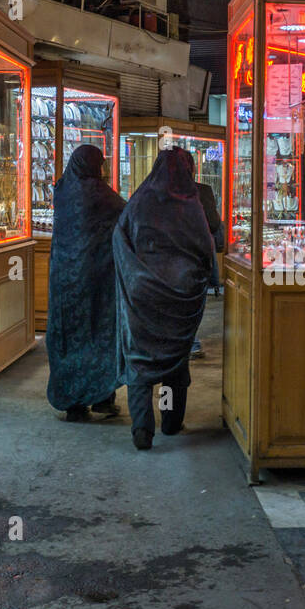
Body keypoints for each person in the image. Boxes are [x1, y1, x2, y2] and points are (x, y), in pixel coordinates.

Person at [114, 147, 215, 450]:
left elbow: (120, 237)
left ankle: (142, 429)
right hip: (180, 295)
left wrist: (132, 275)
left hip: (142, 292)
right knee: (174, 360)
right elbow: (206, 249)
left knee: (141, 360)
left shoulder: (140, 201)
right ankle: (170, 422)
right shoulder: (191, 205)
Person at [45, 144, 127, 421]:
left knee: (68, 337)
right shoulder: (102, 195)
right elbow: (126, 216)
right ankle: (103, 397)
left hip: (64, 281)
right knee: (100, 335)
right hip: (98, 280)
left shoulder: (61, 190)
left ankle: (73, 403)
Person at [190, 179, 225, 358]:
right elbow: (213, 223)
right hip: (197, 254)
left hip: (164, 259)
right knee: (195, 301)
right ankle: (191, 343)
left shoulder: (154, 188)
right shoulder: (202, 190)